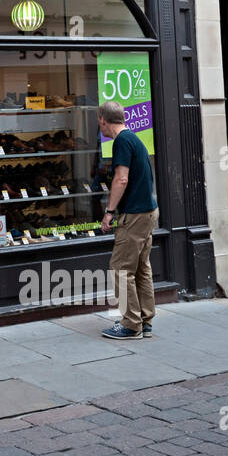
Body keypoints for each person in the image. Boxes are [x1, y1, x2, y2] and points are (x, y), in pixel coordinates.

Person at [97, 100, 158, 340]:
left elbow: (121, 179)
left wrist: (109, 212)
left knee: (121, 269)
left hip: (134, 215)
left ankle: (131, 325)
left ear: (103, 120)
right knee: (142, 268)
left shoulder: (121, 141)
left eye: (98, 122)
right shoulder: (134, 138)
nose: (99, 126)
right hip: (148, 212)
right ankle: (145, 320)